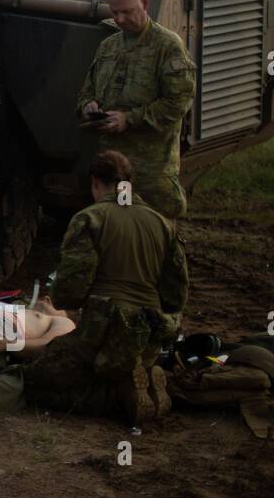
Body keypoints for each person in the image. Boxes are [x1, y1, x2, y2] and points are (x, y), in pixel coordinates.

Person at [24, 151, 189, 425]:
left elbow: (71, 291)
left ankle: (118, 395)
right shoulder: (162, 223)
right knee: (115, 362)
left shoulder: (91, 218)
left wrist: (62, 304)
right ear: (129, 182)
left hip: (104, 337)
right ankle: (142, 375)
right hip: (152, 337)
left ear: (95, 183)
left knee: (35, 381)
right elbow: (177, 294)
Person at [76, 0, 196, 220]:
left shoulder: (168, 46)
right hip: (113, 173)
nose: (119, 19)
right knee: (118, 236)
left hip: (151, 174)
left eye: (127, 12)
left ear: (145, 3)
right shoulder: (108, 46)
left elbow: (178, 102)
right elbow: (87, 91)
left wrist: (129, 119)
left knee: (153, 239)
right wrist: (88, 107)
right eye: (114, 12)